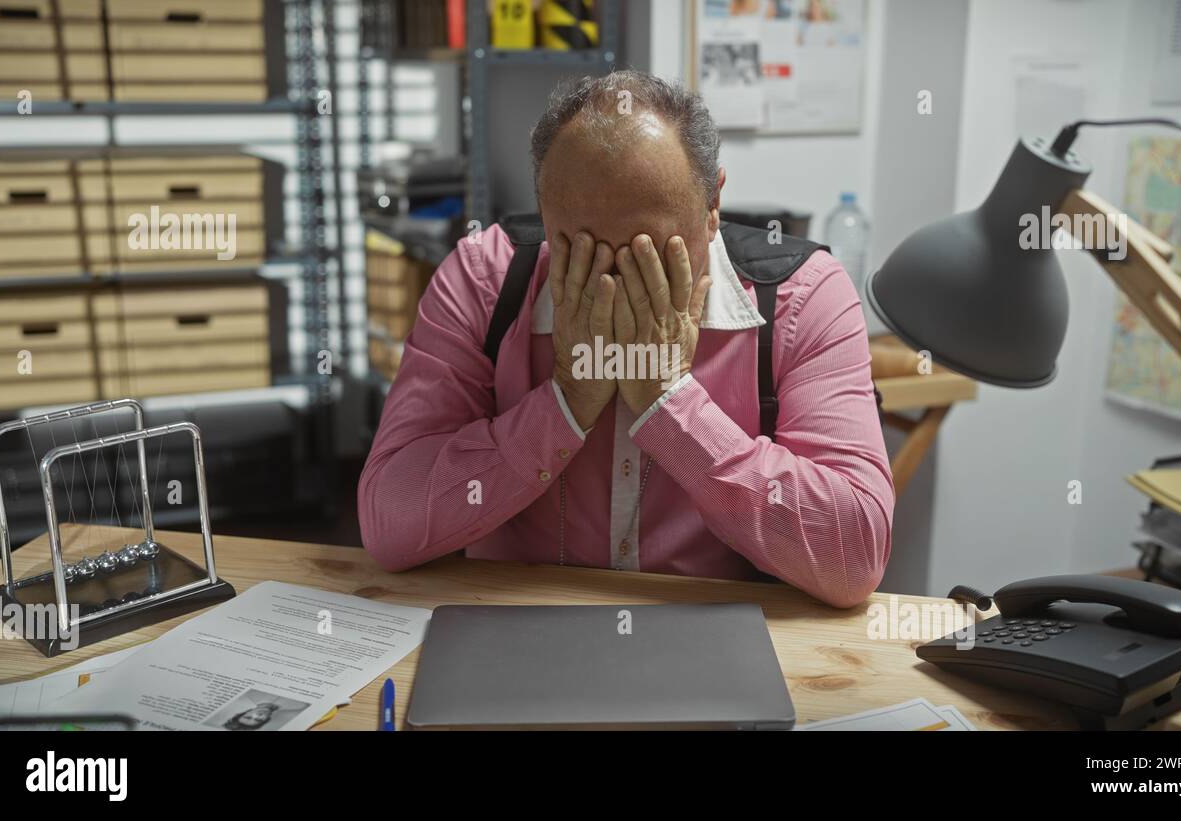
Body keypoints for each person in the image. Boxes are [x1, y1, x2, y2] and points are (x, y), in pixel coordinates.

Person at [359, 70, 892, 608]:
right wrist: (565, 401)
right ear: (544, 210)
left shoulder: (803, 295)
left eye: (650, 254)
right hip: (516, 622)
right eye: (581, 251)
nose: (614, 286)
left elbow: (851, 557)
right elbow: (389, 523)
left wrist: (671, 403)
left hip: (720, 632)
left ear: (712, 207)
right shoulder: (483, 280)